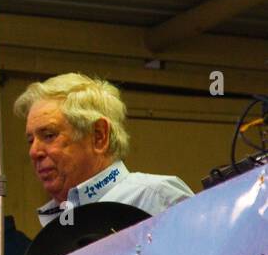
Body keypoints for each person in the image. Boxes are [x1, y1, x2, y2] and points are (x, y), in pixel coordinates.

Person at [14, 73, 193, 227]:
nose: (34, 152)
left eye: (49, 135)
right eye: (30, 140)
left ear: (99, 136)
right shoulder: (57, 219)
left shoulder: (157, 198)